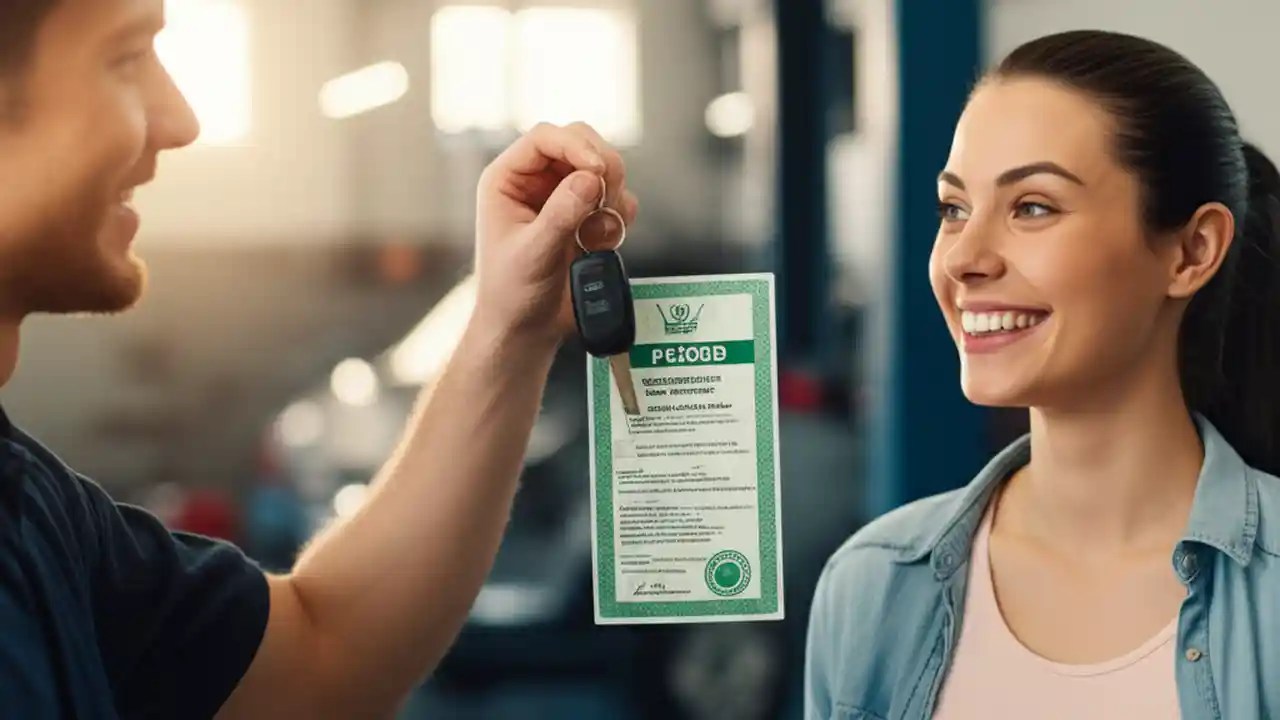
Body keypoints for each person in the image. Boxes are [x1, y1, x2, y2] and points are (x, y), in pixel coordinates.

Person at [0, 0, 637, 718]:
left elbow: (323, 651)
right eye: (124, 58)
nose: (181, 119)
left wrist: (510, 328)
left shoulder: (36, 513)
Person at [805, 30, 1280, 720]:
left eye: (1033, 207)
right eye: (953, 209)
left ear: (1190, 251)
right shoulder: (872, 584)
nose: (965, 258)